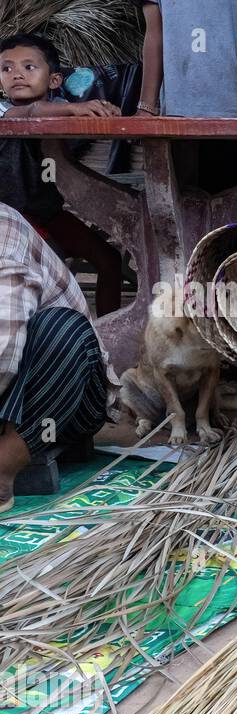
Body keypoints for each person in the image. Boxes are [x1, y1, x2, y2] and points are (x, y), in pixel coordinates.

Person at [0, 202, 116, 514]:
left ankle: (3, 466)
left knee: (62, 327)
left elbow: (4, 349)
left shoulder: (3, 228)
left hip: (64, 395)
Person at [0, 32, 124, 313]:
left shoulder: (60, 112)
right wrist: (76, 108)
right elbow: (32, 111)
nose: (16, 74)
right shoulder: (4, 110)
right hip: (10, 218)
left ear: (55, 80)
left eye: (28, 67)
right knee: (51, 266)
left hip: (48, 213)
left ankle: (105, 336)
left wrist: (101, 110)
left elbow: (46, 111)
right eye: (7, 68)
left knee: (109, 259)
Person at [138, 0, 237, 192]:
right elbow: (154, 37)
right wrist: (146, 108)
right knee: (182, 203)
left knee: (234, 206)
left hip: (234, 116)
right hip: (178, 116)